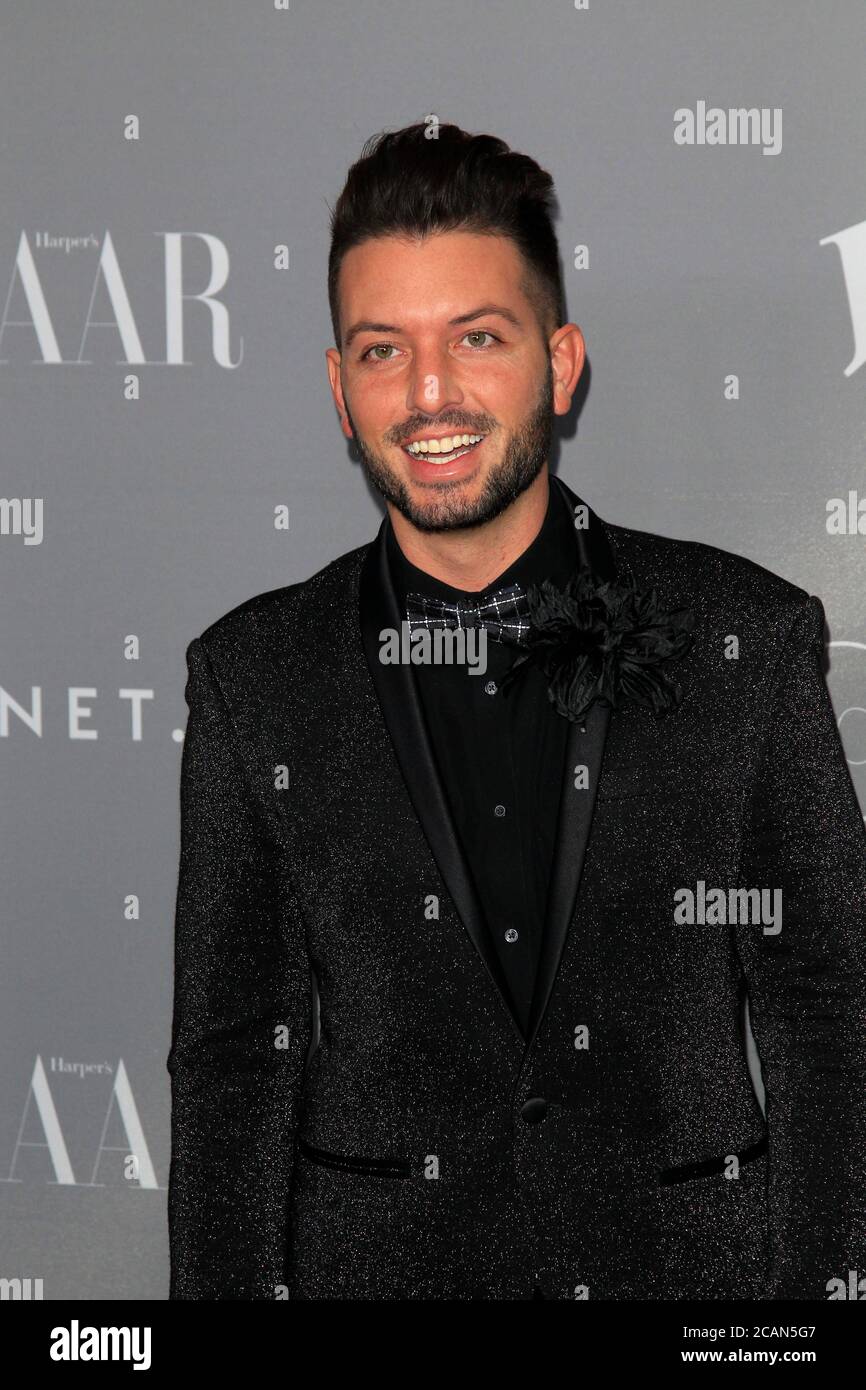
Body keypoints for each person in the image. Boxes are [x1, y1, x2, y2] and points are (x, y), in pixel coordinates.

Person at [167, 121, 866, 1300]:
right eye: (381, 350)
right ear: (339, 390)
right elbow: (234, 1061)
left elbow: (829, 1016)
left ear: (560, 361)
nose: (428, 392)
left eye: (475, 339)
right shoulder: (253, 679)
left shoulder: (743, 639)